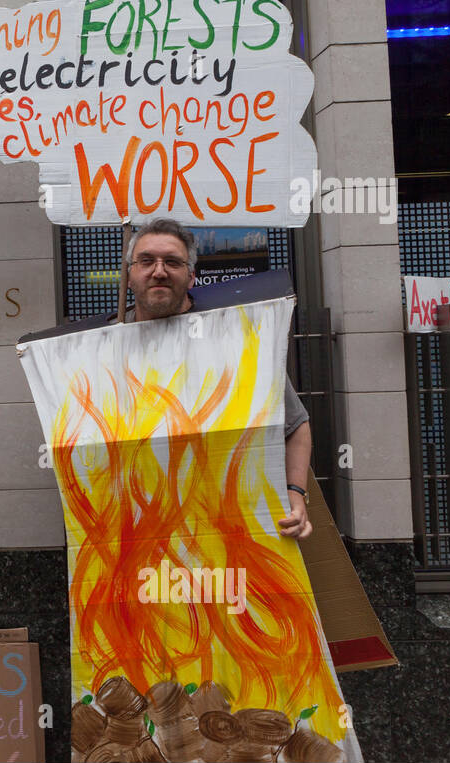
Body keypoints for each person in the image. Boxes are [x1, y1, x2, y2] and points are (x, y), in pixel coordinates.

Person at [122, 218, 314, 540]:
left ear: (191, 276)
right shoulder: (96, 349)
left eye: (172, 262)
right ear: (129, 275)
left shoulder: (237, 338)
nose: (158, 271)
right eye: (146, 261)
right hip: (141, 535)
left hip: (231, 533)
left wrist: (296, 494)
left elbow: (295, 425)